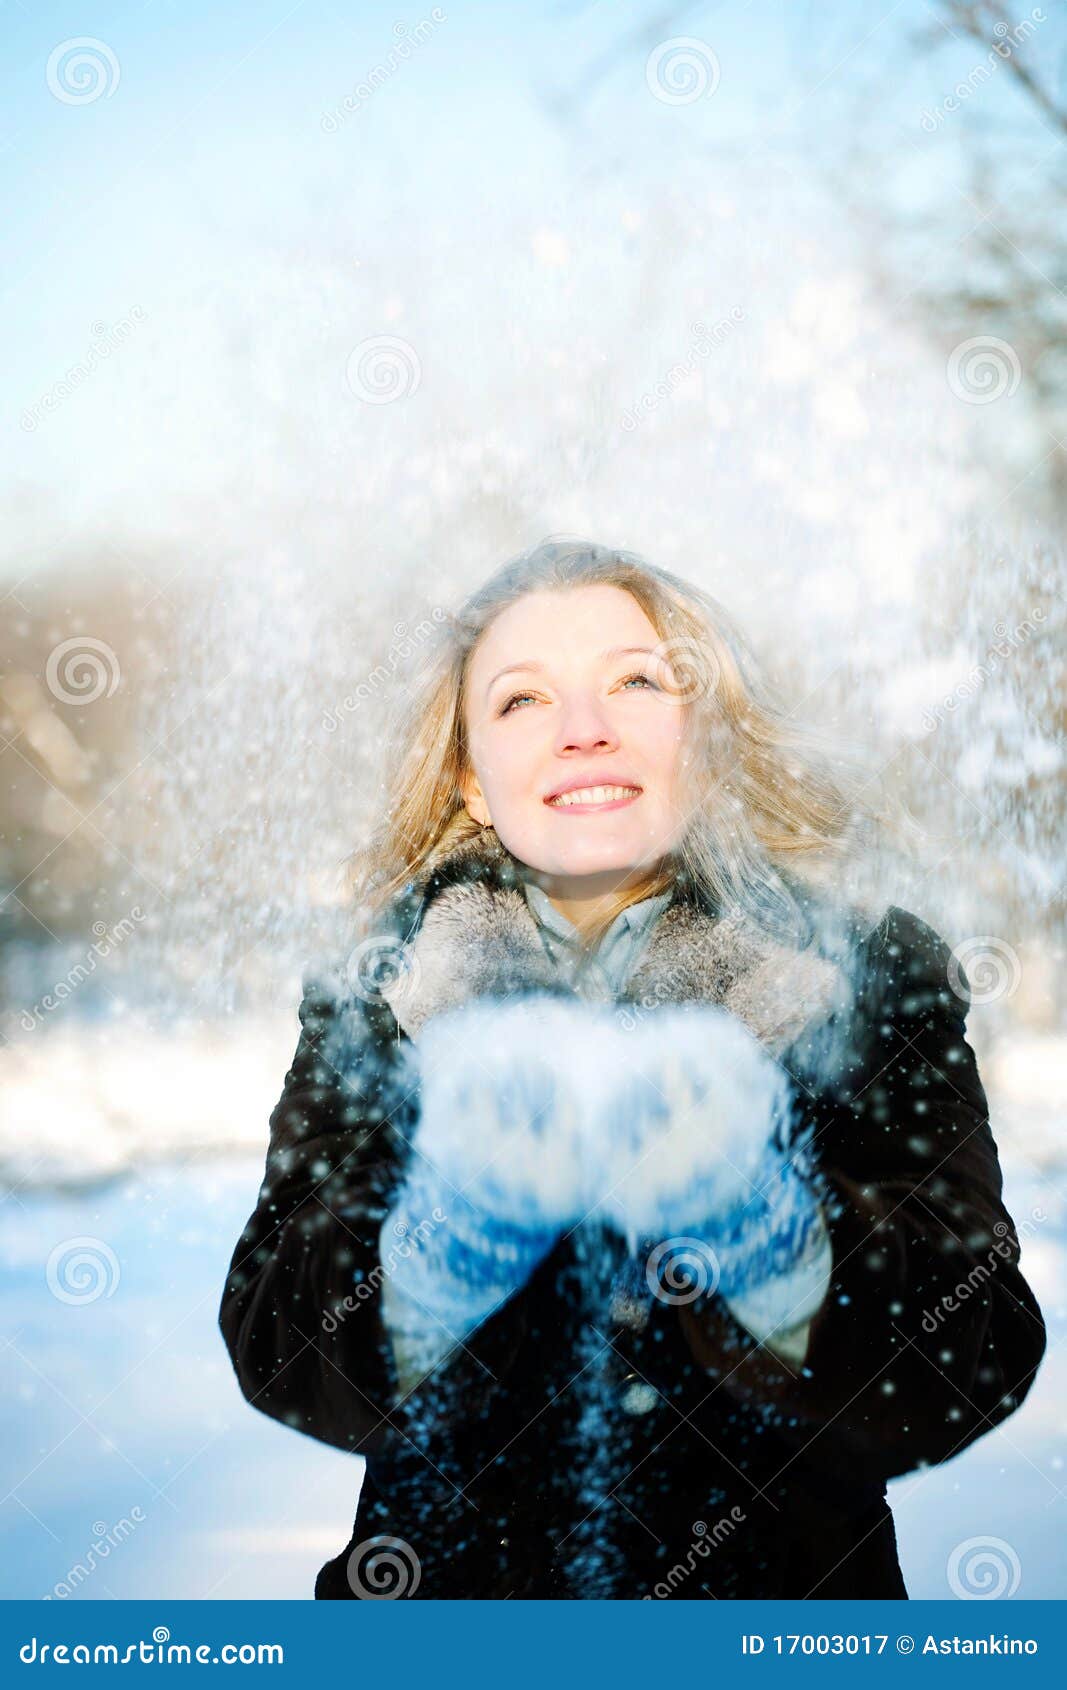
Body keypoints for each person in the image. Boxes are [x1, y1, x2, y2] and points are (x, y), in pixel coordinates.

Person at [218, 538, 1046, 1599]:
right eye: (520, 700)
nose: (582, 728)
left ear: (708, 734)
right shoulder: (381, 987)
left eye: (636, 681)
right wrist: (446, 1237)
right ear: (470, 775)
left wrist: (761, 1226)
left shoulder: (868, 966)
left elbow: (970, 1354)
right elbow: (276, 1342)